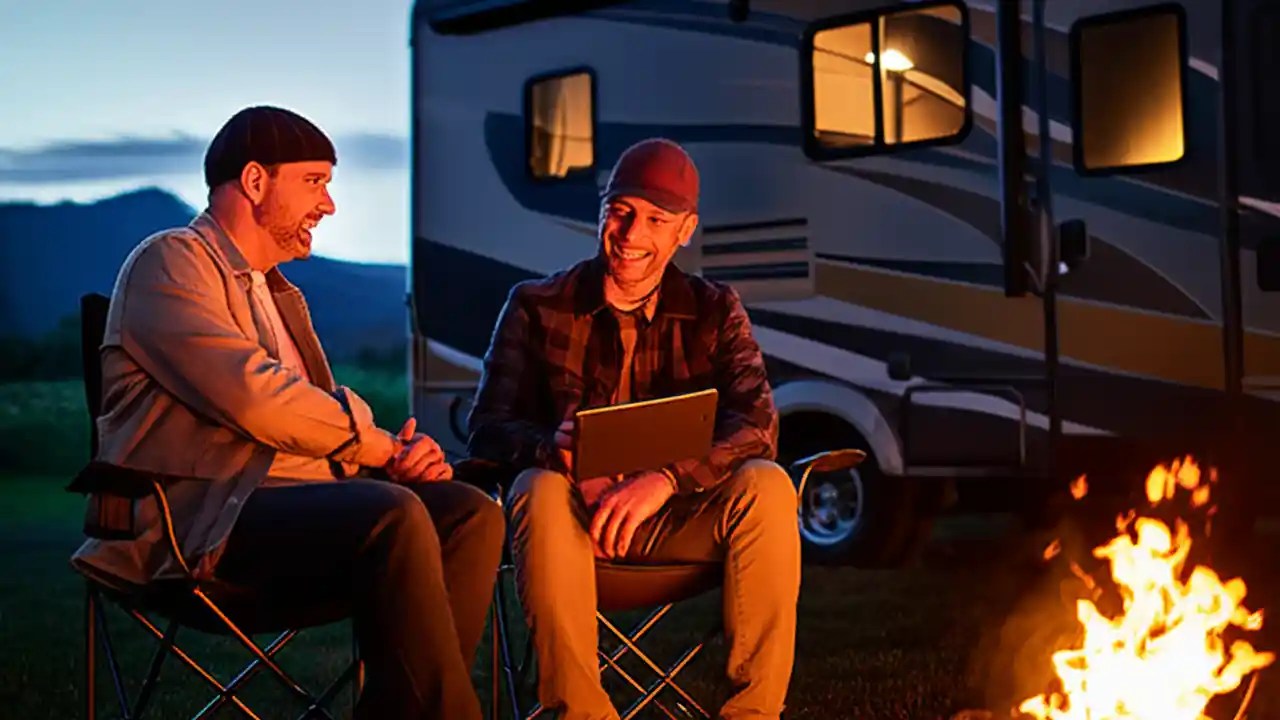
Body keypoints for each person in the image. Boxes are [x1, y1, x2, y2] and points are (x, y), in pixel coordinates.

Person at [71, 105, 502, 720]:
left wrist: (393, 462)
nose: (327, 206)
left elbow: (304, 423)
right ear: (254, 182)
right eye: (315, 182)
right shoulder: (170, 262)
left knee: (468, 513)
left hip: (297, 513)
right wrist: (379, 448)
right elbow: (256, 398)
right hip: (204, 528)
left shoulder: (274, 293)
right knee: (394, 515)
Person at [468, 138, 800, 720]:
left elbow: (757, 423)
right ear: (602, 211)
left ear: (685, 231)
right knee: (534, 487)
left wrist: (666, 480)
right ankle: (581, 714)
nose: (630, 234)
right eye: (620, 212)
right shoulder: (535, 305)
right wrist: (554, 451)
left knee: (768, 483)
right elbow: (487, 430)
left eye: (655, 219)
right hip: (569, 531)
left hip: (674, 521)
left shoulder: (714, 310)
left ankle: (752, 714)